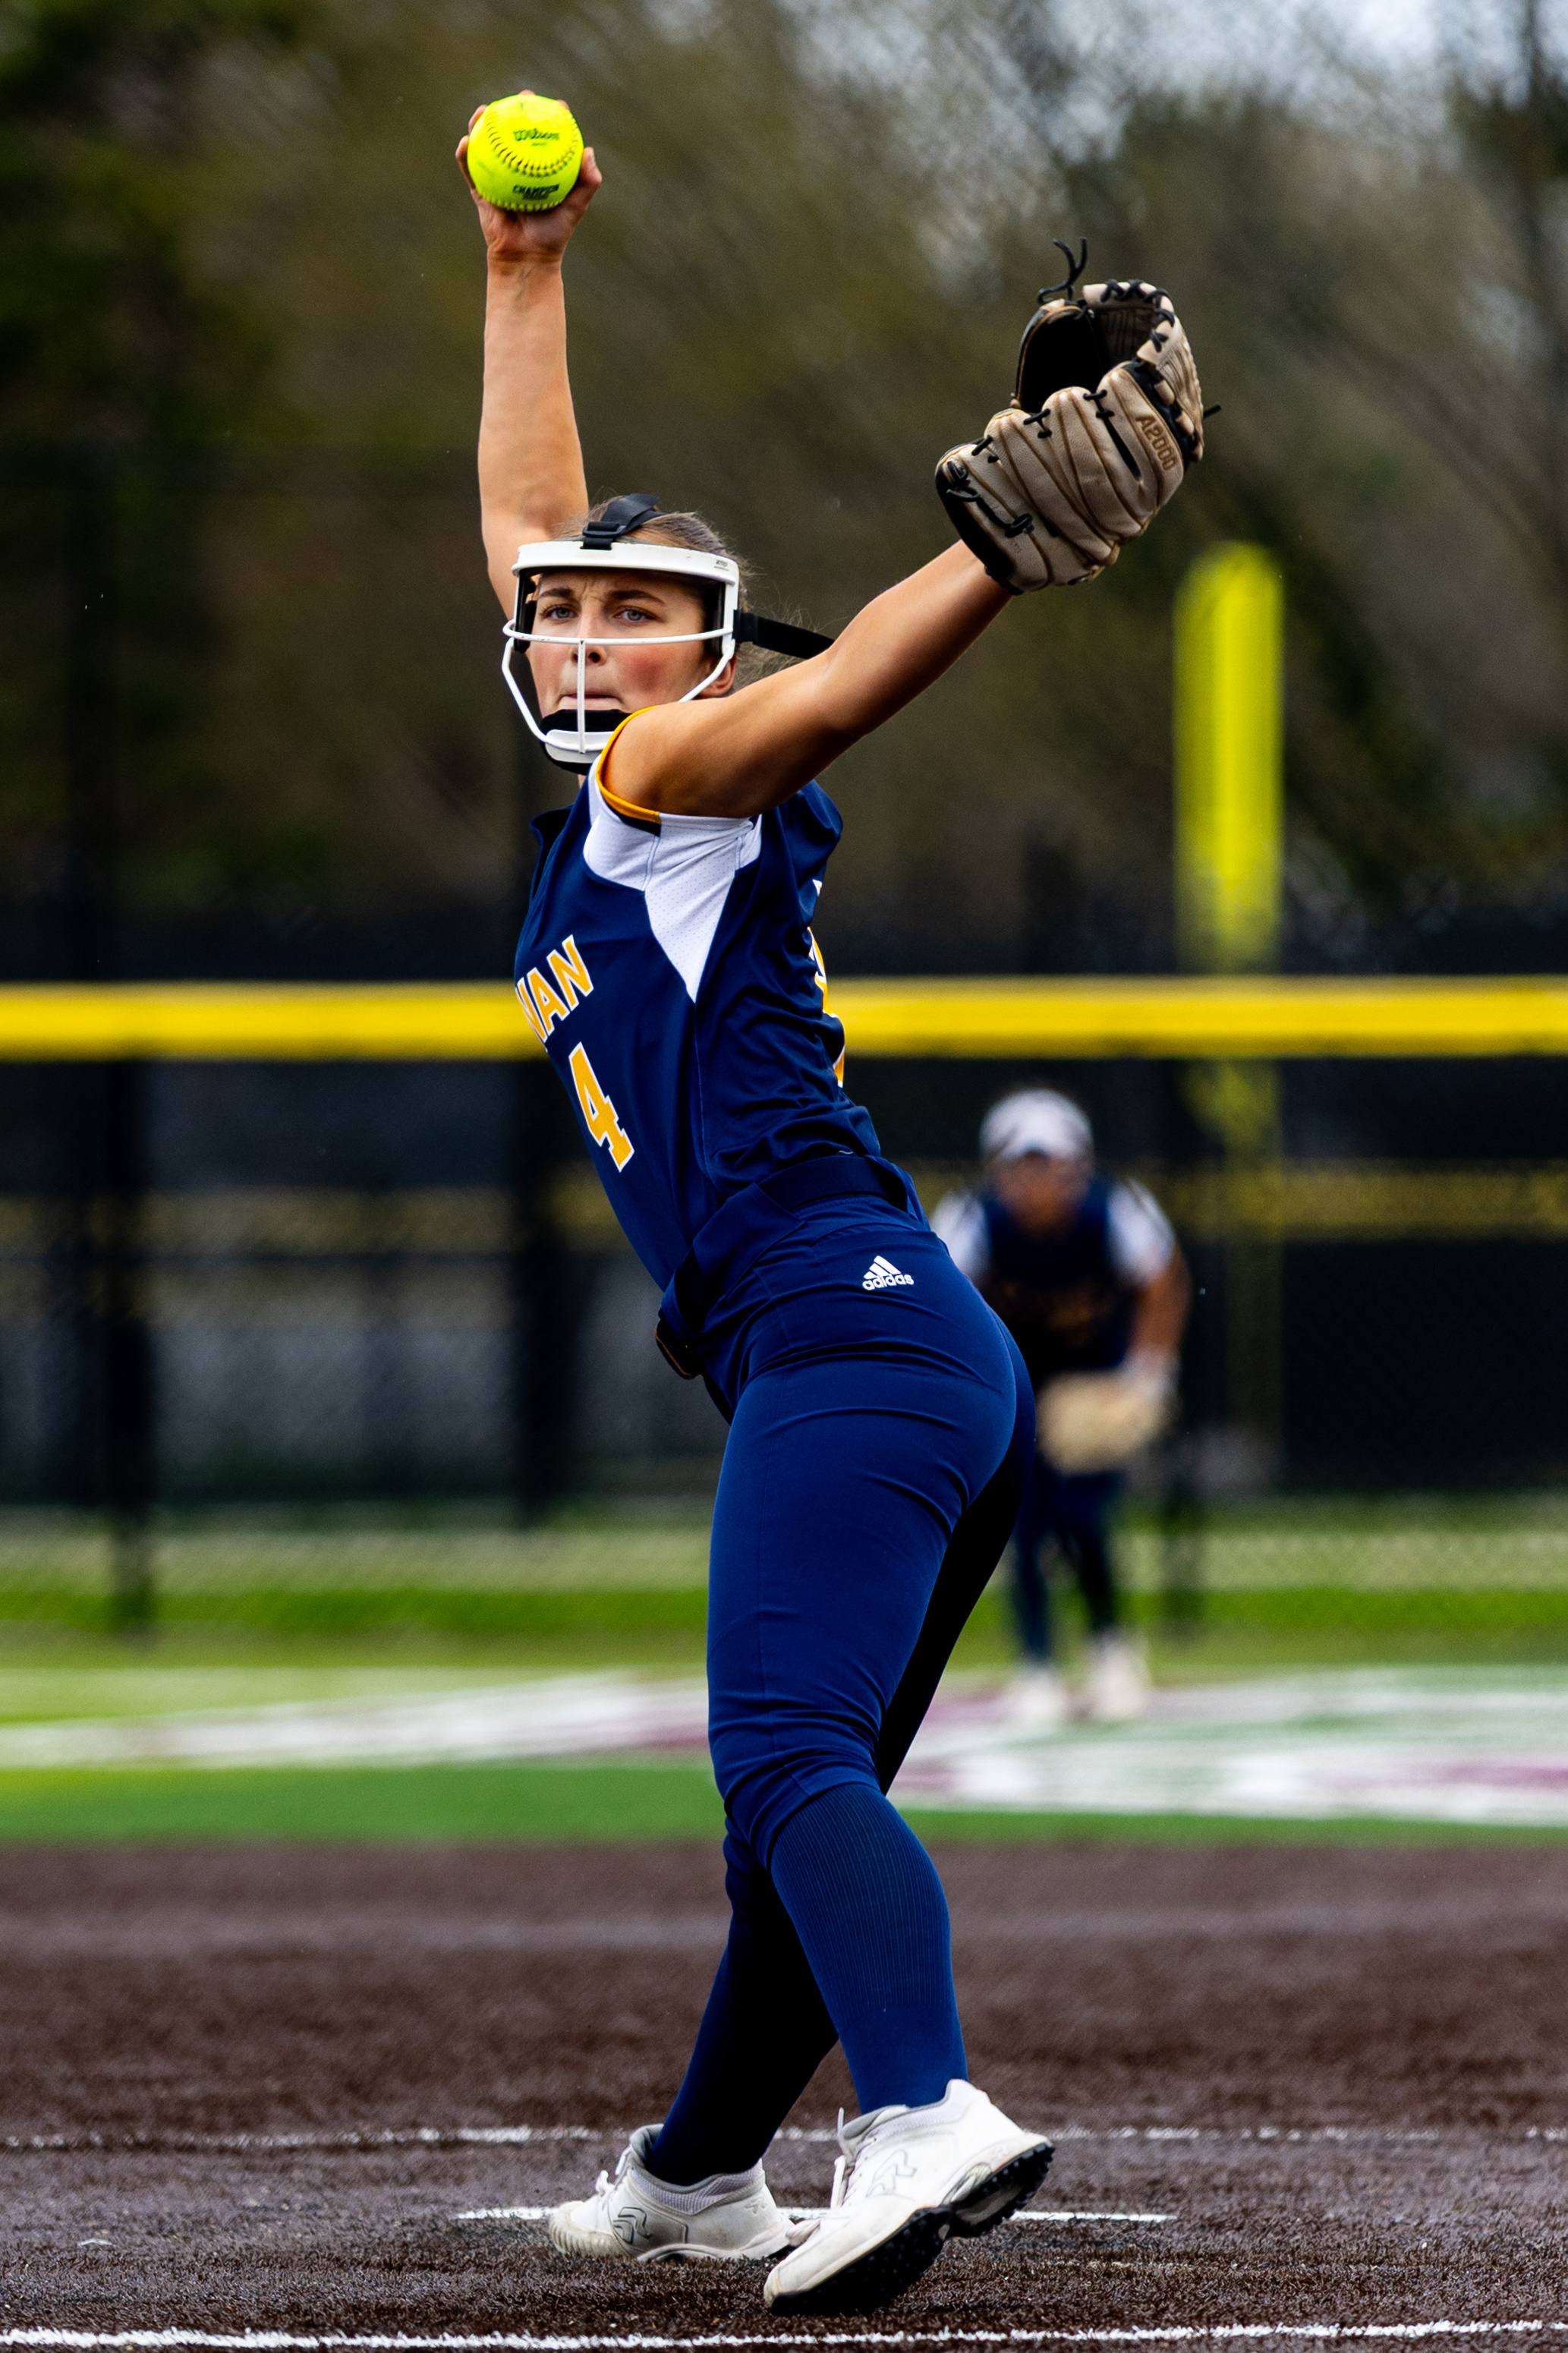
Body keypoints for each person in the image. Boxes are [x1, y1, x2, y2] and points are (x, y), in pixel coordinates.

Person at [458, 99, 1201, 2316]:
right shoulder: (616, 778)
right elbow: (517, 514)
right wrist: (522, 275)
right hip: (891, 1338)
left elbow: (847, 676)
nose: (577, 624)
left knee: (781, 1753)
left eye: (630, 611)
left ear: (703, 655)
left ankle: (920, 2111)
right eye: (569, 606)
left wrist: (988, 547)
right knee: (803, 1790)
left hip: (849, 1321)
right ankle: (700, 2168)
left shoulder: (670, 767)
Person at [934, 1090, 1191, 1729]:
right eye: (1025, 1165)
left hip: (1088, 1379)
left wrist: (1147, 1375)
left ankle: (1110, 1649)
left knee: (1082, 1515)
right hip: (1014, 1380)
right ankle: (1038, 1664)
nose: (1039, 1180)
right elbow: (944, 1303)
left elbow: (1164, 1282)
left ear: (1079, 1165)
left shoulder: (1117, 1210)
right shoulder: (971, 1218)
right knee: (1021, 1524)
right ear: (999, 1168)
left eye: (1051, 1163)